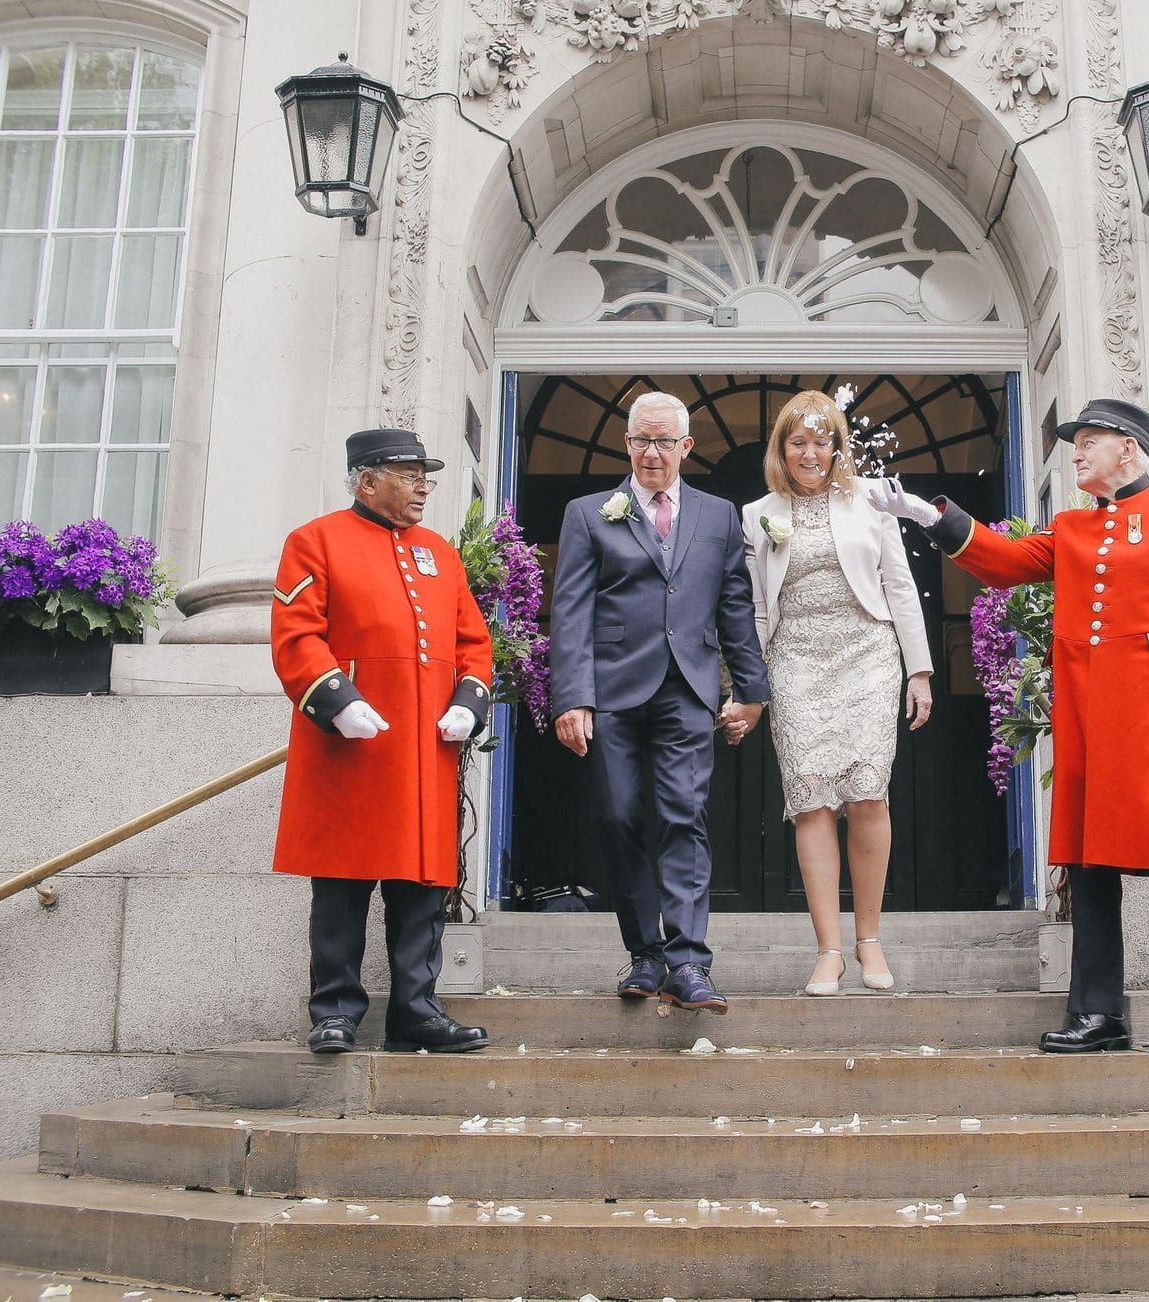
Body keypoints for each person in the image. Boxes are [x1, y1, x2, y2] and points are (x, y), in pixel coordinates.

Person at [870, 398, 1149, 1053]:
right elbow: (1003, 559)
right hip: (1091, 718)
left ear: (1128, 447)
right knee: (1091, 862)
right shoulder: (1074, 528)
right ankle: (1099, 1014)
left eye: (1087, 442)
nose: (1074, 454)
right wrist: (930, 516)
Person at [271, 428, 496, 1056]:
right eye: (408, 473)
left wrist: (468, 701)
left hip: (425, 748)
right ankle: (335, 1010)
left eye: (426, 474)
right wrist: (336, 701)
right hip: (352, 745)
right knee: (342, 882)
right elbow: (296, 633)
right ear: (367, 479)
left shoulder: (439, 554)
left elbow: (472, 641)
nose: (423, 485)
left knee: (422, 884)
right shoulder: (314, 541)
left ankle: (416, 1011)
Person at [549, 391, 772, 1014]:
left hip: (687, 688)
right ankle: (644, 951)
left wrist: (751, 691)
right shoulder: (589, 513)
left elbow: (734, 608)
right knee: (618, 817)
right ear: (627, 445)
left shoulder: (719, 516)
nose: (652, 454)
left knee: (684, 815)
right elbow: (569, 611)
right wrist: (572, 697)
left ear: (686, 447)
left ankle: (688, 961)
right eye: (641, 442)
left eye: (664, 442)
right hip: (611, 692)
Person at [738, 391, 933, 995]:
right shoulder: (756, 513)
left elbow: (900, 588)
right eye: (798, 441)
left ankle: (869, 942)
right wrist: (746, 683)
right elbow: (750, 604)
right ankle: (829, 951)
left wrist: (919, 670)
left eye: (822, 440)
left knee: (869, 794)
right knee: (812, 800)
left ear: (837, 445)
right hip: (794, 661)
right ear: (782, 448)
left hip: (868, 656)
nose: (811, 452)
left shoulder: (870, 502)